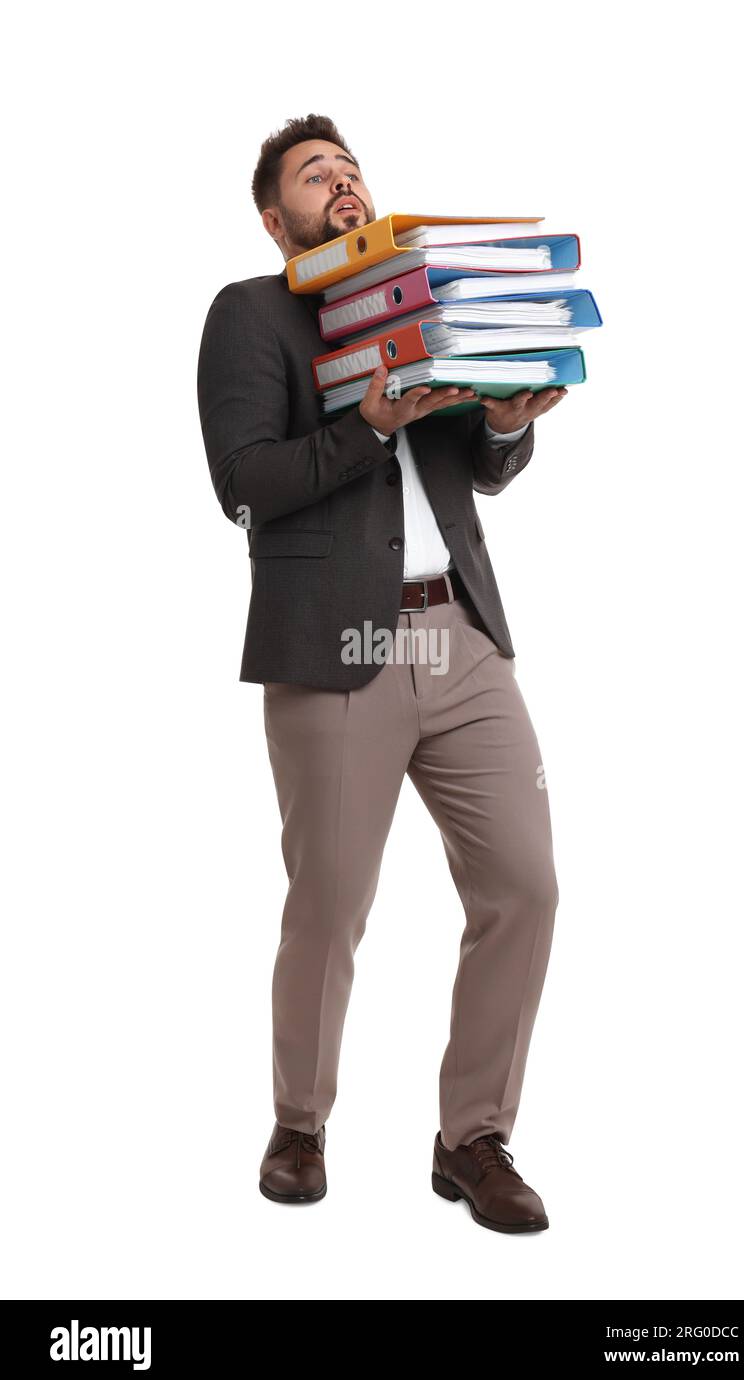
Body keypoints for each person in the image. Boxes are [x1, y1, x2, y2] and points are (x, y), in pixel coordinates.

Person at [196, 113, 568, 1235]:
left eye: (352, 171)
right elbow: (244, 480)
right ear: (279, 217)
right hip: (336, 647)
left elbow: (475, 471)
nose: (343, 188)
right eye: (318, 177)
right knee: (330, 904)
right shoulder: (250, 314)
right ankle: (300, 1122)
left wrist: (503, 423)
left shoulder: (419, 293)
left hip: (458, 635)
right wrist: (364, 424)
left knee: (526, 885)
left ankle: (472, 1138)